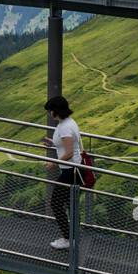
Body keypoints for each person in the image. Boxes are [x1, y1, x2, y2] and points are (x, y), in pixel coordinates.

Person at [42, 95, 84, 250]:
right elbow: (66, 145)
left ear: (56, 111)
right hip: (72, 170)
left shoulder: (65, 127)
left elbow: (70, 152)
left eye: (50, 111)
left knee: (56, 203)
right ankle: (72, 237)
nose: (49, 114)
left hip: (70, 171)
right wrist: (53, 143)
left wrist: (54, 162)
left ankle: (68, 239)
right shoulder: (66, 123)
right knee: (69, 204)